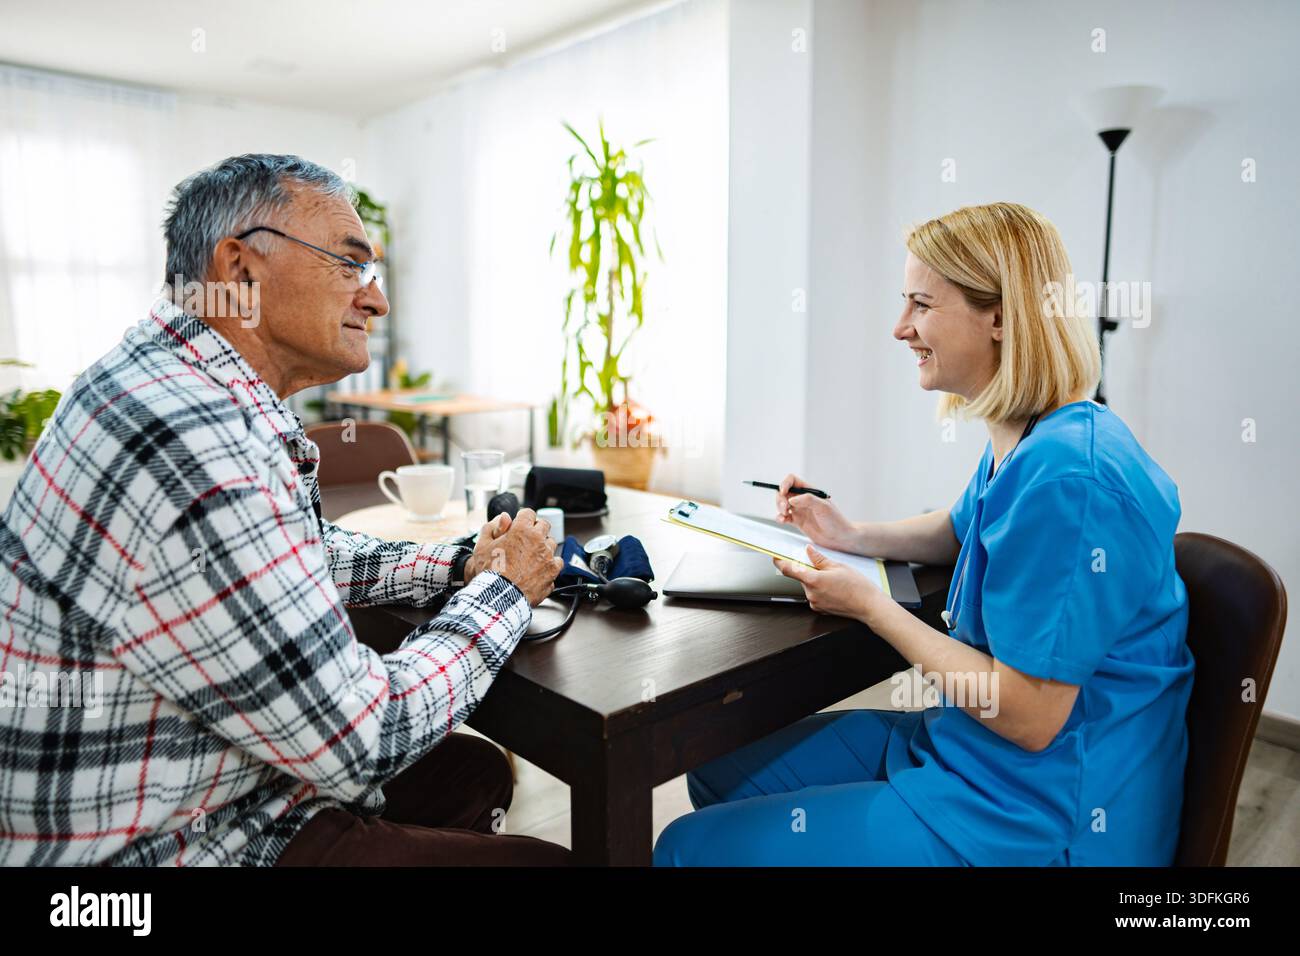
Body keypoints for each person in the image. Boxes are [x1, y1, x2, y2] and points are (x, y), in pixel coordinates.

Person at [0, 154, 568, 866]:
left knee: (473, 772)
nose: (377, 300)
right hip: (154, 854)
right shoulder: (196, 443)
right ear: (240, 272)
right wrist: (505, 592)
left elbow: (289, 553)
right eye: (349, 264)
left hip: (198, 783)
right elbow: (364, 738)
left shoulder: (168, 377)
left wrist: (457, 563)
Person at [654, 202, 1193, 866]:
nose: (899, 327)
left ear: (1000, 316)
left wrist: (872, 607)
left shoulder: (1068, 478)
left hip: (1038, 812)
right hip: (967, 749)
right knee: (714, 769)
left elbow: (1029, 716)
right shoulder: (1033, 436)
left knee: (684, 849)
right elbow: (959, 527)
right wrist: (851, 532)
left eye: (920, 305)